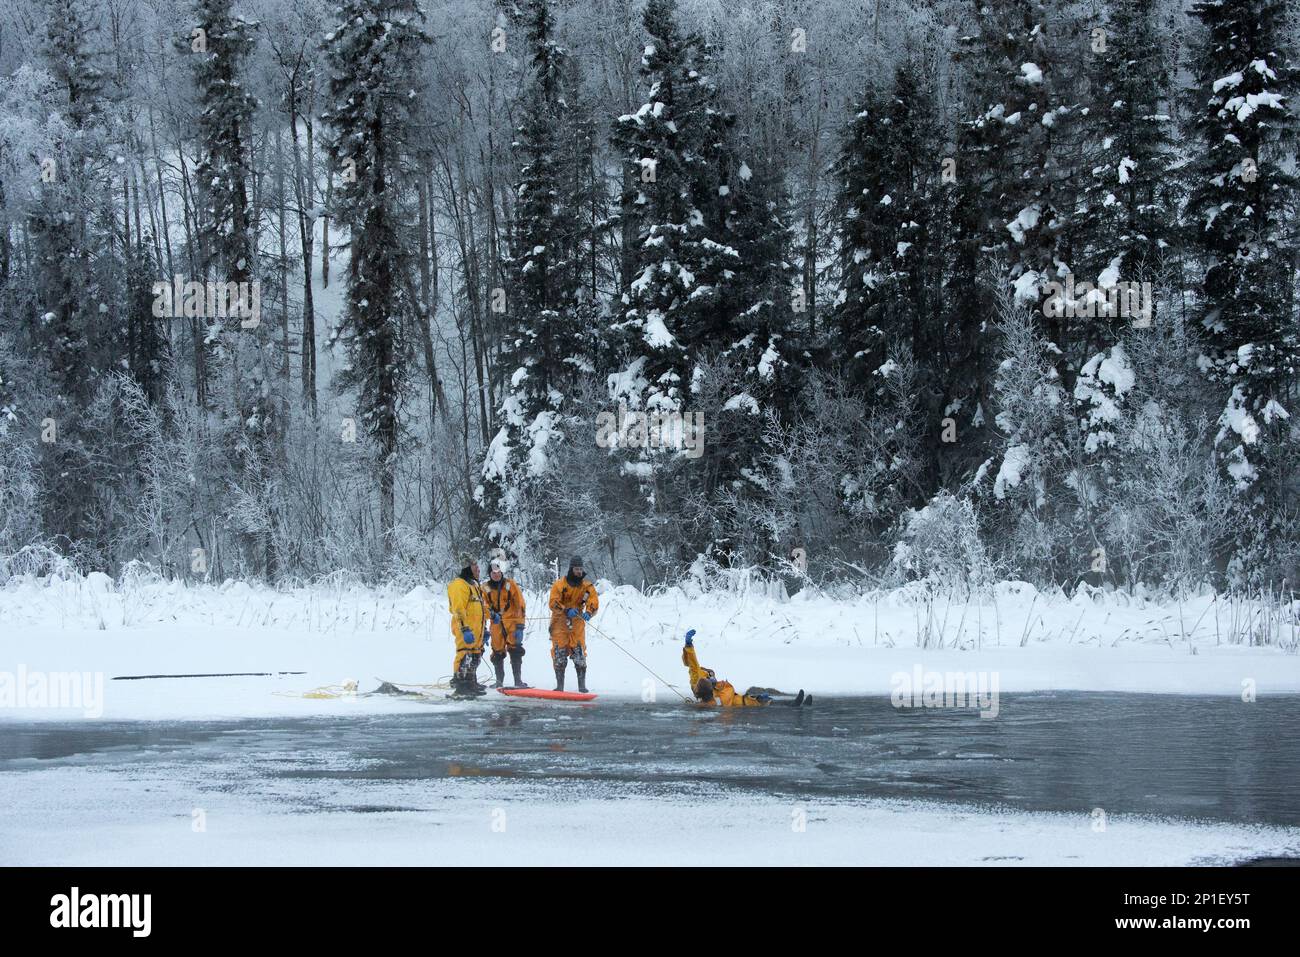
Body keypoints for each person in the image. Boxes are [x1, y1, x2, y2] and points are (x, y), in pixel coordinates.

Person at [681, 630, 807, 707]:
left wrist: (757, 700)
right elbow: (693, 664)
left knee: (759, 701)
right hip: (722, 704)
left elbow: (739, 701)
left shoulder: (715, 688)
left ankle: (792, 705)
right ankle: (791, 706)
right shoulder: (698, 678)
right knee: (755, 703)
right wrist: (689, 645)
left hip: (728, 699)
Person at [548, 556, 599, 693]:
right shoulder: (559, 585)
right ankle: (560, 686)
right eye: (577, 569)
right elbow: (553, 602)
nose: (579, 572)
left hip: (577, 624)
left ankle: (582, 686)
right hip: (560, 623)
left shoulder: (586, 587)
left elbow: (593, 600)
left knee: (580, 654)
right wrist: (566, 609)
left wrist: (589, 611)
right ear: (571, 569)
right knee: (559, 654)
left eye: (581, 569)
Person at [447, 553, 488, 697]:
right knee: (465, 654)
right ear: (467, 567)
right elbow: (458, 609)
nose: (478, 568)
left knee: (475, 655)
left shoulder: (474, 585)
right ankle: (461, 686)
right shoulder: (459, 585)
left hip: (477, 630)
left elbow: (480, 607)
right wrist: (464, 628)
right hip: (466, 629)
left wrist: (488, 623)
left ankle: (470, 682)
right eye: (474, 565)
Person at [484, 559, 528, 688]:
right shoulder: (485, 588)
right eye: (493, 573)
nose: (496, 575)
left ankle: (518, 681)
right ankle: (499, 682)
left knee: (515, 650)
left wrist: (520, 626)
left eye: (498, 572)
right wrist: (491, 614)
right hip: (496, 624)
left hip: (512, 623)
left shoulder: (510, 585)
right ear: (489, 574)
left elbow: (520, 605)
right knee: (497, 652)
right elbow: (483, 605)